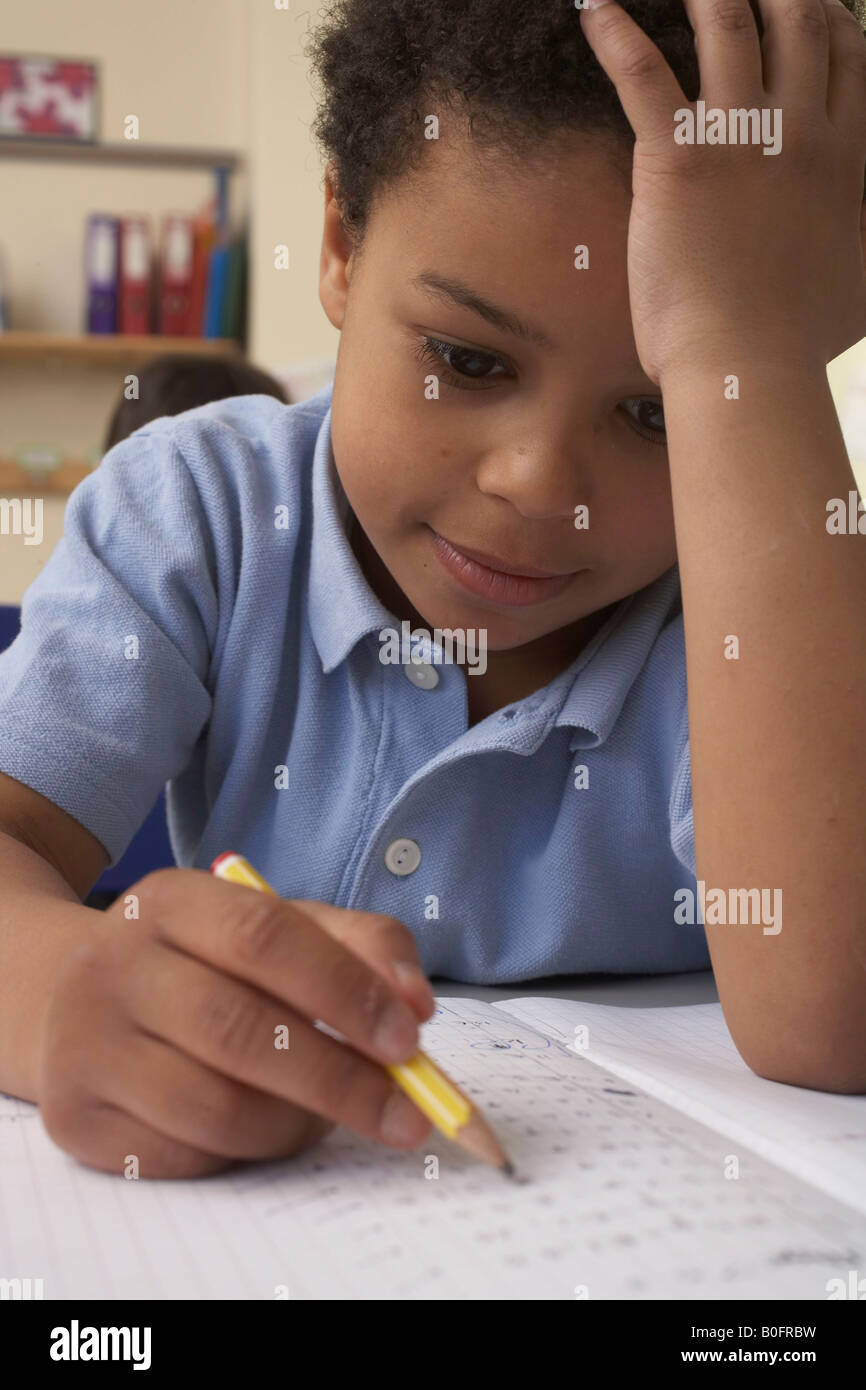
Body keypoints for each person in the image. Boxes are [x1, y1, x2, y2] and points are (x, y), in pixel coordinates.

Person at [0, 0, 864, 1180]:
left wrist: (747, 361)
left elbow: (834, 1014)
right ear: (343, 247)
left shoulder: (777, 595)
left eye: (658, 411)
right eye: (467, 360)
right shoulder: (199, 513)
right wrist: (57, 995)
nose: (536, 484)